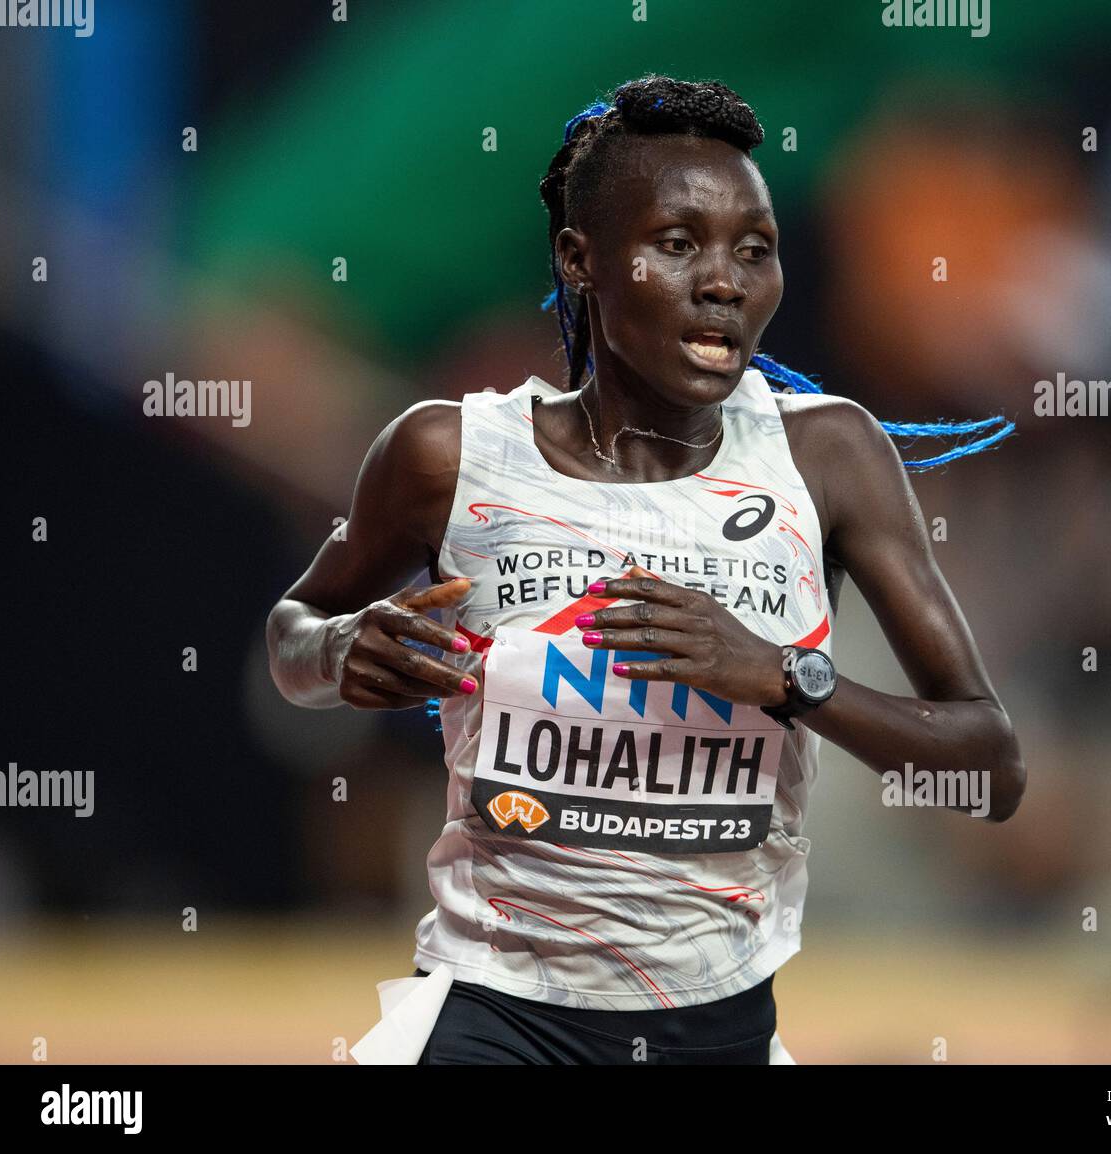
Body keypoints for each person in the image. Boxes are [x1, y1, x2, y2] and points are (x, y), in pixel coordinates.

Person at [266, 74, 1025, 1065]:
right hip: (494, 1010)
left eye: (754, 249)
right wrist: (338, 651)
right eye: (678, 243)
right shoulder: (448, 454)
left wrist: (785, 679)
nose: (726, 280)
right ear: (580, 259)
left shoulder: (829, 455)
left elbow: (988, 768)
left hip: (721, 1024)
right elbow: (293, 640)